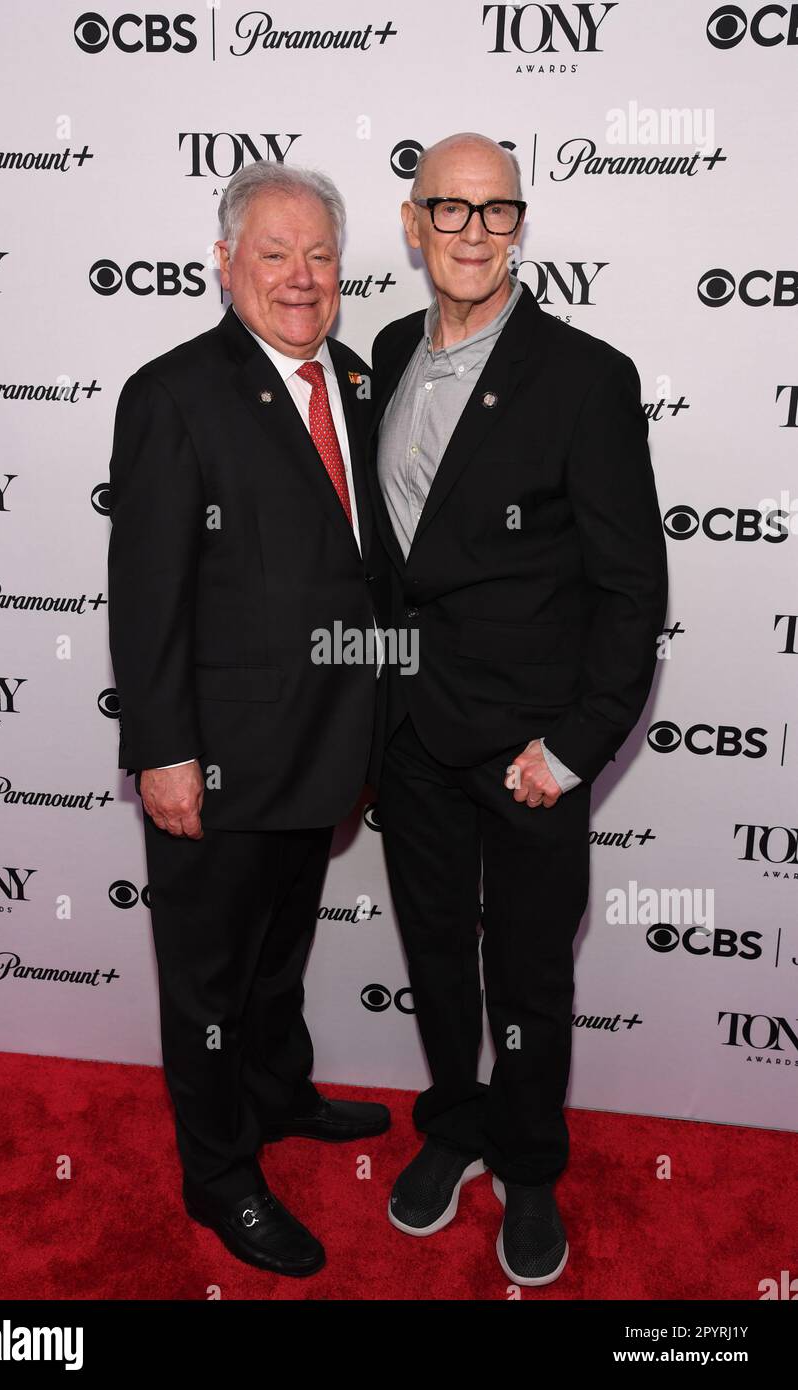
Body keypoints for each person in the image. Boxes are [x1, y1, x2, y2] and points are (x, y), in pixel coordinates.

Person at [367, 132, 668, 1285]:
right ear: (413, 223)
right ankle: (453, 1124)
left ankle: (529, 1161)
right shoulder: (388, 348)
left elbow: (629, 586)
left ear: (518, 225)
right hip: (407, 733)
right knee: (436, 952)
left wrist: (577, 744)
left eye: (496, 211)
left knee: (531, 971)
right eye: (449, 209)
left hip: (529, 747)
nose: (473, 232)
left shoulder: (583, 375)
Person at [107, 162, 389, 1279]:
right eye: (273, 253)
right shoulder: (172, 392)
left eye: (319, 254)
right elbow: (146, 591)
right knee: (209, 983)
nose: (300, 276)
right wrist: (164, 750)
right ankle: (219, 1173)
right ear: (223, 262)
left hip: (326, 745)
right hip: (217, 763)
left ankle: (278, 1098)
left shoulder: (360, 381)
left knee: (278, 958)